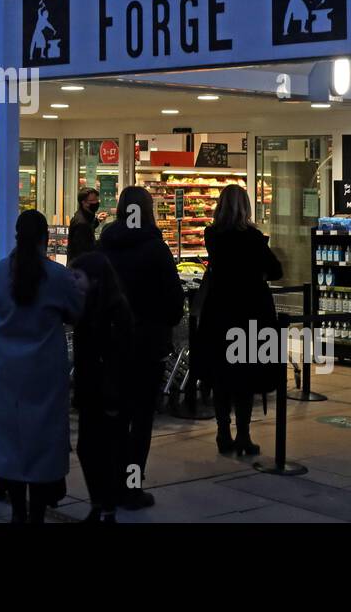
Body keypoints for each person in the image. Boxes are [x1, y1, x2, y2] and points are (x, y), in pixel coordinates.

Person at [0, 209, 83, 523]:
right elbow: (75, 311)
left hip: (8, 371)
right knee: (43, 442)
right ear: (45, 238)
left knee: (12, 440)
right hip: (44, 371)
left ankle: (17, 511)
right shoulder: (57, 276)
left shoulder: (2, 271)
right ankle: (38, 513)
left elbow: (1, 307)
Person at [97, 185, 184, 510]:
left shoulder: (105, 246)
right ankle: (131, 487)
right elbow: (175, 304)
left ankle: (110, 481)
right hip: (147, 346)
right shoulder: (156, 250)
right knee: (141, 419)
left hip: (111, 346)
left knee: (114, 417)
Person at [200, 185, 283, 457]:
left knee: (222, 376)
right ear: (245, 207)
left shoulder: (212, 236)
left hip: (219, 312)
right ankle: (244, 435)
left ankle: (223, 432)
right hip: (249, 313)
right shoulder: (253, 238)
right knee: (245, 376)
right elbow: (276, 270)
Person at [69, 251, 135, 524]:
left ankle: (106, 507)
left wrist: (113, 396)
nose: (74, 281)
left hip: (107, 393)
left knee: (102, 450)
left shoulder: (114, 310)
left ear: (95, 279)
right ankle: (100, 504)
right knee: (88, 448)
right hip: (91, 389)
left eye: (77, 276)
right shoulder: (89, 306)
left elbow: (118, 356)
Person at [67, 187, 101, 261]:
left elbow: (88, 229)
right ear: (83, 202)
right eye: (92, 200)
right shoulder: (81, 222)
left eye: (97, 199)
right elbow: (83, 249)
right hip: (80, 268)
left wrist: (97, 220)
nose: (96, 202)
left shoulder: (86, 216)